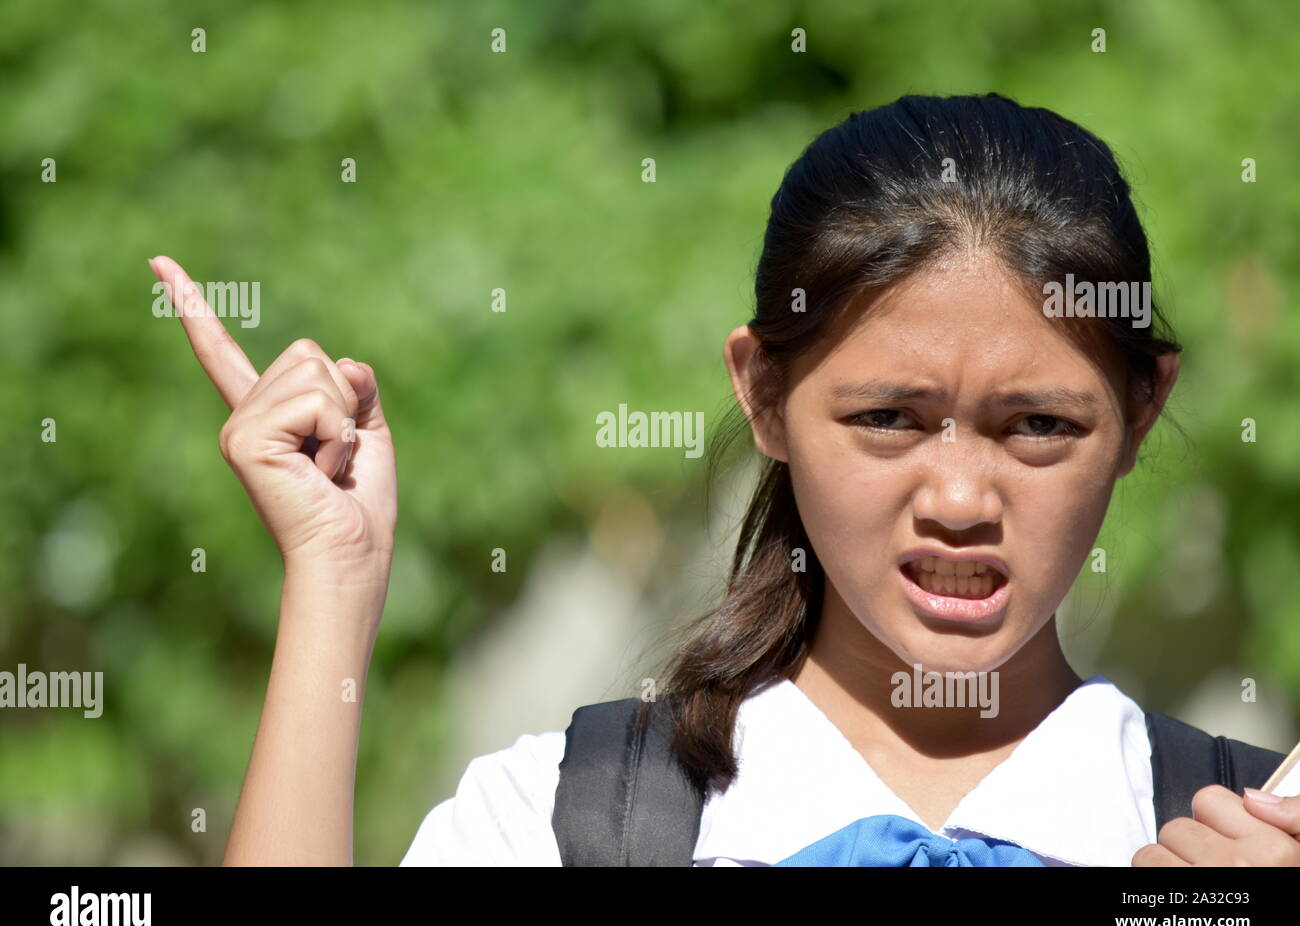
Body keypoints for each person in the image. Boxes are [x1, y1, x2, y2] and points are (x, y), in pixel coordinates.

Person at [151, 92, 1300, 867]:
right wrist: (333, 586)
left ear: (1142, 408)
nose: (958, 498)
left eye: (1039, 423)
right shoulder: (569, 821)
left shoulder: (1248, 838)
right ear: (761, 394)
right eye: (886, 417)